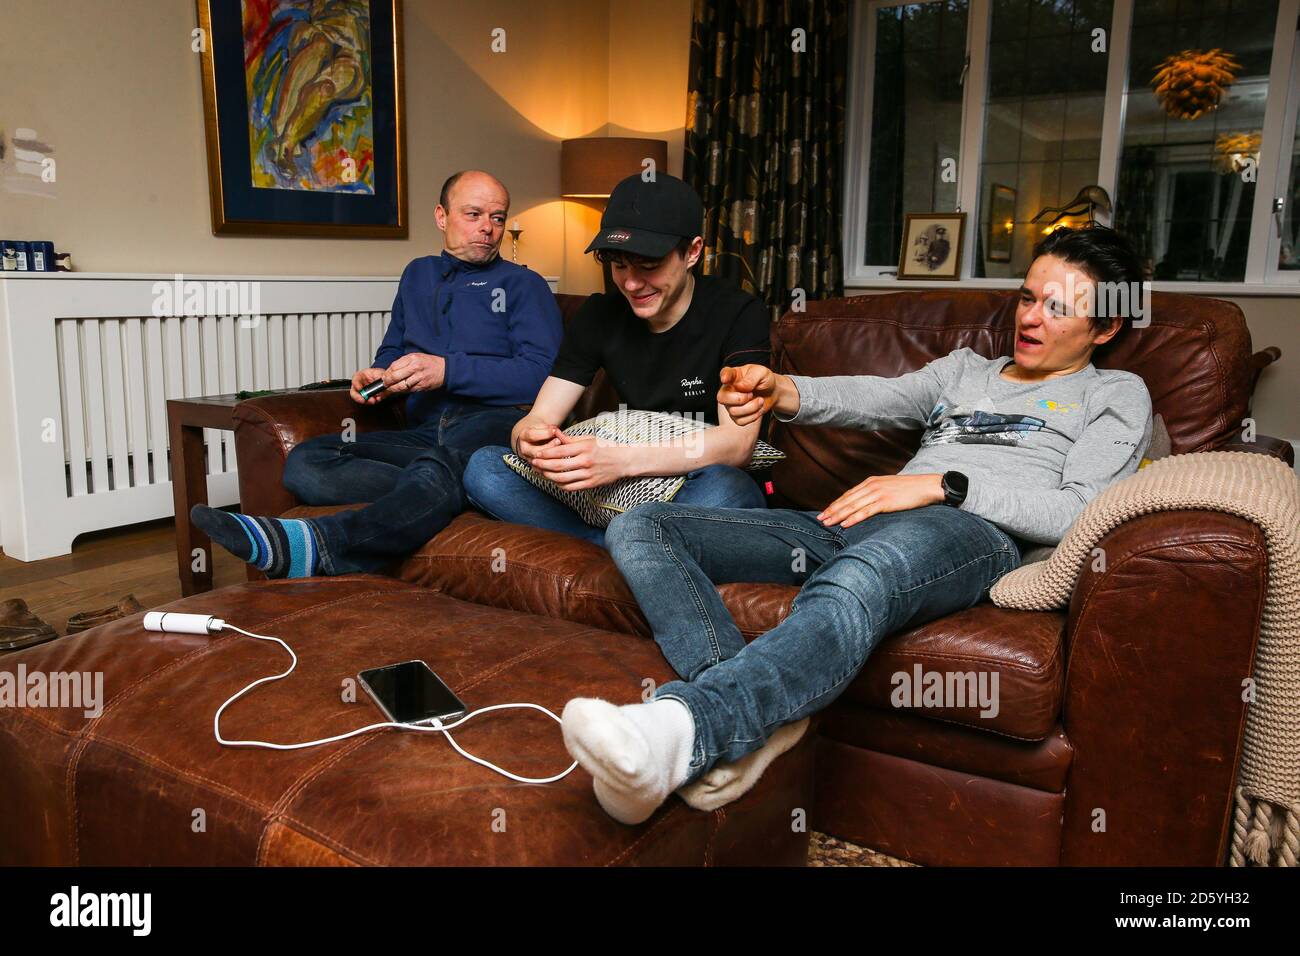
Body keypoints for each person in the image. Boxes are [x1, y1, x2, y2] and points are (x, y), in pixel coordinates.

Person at [558, 226, 1154, 824]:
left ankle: (684, 729)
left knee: (860, 573)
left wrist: (942, 485)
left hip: (967, 533)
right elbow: (874, 396)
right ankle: (752, 716)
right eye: (1028, 298)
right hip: (851, 520)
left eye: (1058, 309)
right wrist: (780, 390)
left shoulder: (1115, 393)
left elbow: (1081, 508)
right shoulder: (966, 370)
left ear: (1105, 327)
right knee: (642, 525)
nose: (1031, 318)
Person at [192, 170, 562, 577]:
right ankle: (447, 493)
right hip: (422, 431)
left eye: (497, 217)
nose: (488, 229)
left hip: (492, 424)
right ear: (441, 216)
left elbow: (541, 374)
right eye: (474, 215)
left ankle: (313, 546)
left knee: (441, 464)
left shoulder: (524, 284)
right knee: (306, 461)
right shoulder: (417, 275)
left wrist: (447, 370)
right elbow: (393, 347)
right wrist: (379, 376)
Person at [462, 173, 771, 547]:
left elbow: (737, 445)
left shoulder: (738, 313)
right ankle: (621, 544)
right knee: (485, 468)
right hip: (617, 492)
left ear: (692, 252)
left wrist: (620, 460)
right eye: (619, 265)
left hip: (696, 482)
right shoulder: (598, 314)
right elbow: (538, 417)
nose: (631, 284)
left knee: (727, 488)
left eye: (648, 265)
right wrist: (528, 441)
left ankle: (619, 540)